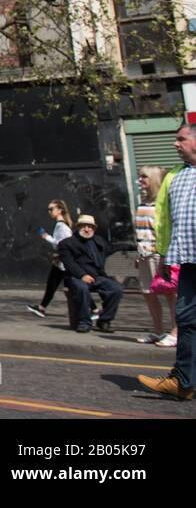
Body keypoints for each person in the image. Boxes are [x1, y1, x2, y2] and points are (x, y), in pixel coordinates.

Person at [137, 122, 196, 401]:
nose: (175, 144)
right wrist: (163, 254)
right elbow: (164, 219)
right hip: (186, 259)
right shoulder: (175, 175)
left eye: (180, 139)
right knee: (186, 320)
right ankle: (183, 382)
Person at [134, 166, 178, 347]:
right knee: (148, 294)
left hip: (160, 254)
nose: (140, 180)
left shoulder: (164, 202)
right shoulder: (143, 202)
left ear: (153, 179)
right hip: (144, 255)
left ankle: (176, 332)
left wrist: (168, 255)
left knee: (171, 294)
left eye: (144, 176)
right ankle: (158, 331)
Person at [59, 214, 122, 333]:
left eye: (90, 227)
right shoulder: (66, 244)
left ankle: (104, 321)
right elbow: (69, 264)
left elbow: (111, 248)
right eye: (84, 226)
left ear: (94, 229)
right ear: (78, 227)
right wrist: (82, 275)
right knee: (81, 288)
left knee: (116, 289)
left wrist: (132, 247)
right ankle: (84, 321)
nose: (87, 229)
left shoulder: (98, 241)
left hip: (97, 276)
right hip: (77, 277)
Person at [26, 198, 74, 318]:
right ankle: (42, 307)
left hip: (64, 262)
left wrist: (46, 237)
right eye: (48, 209)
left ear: (60, 210)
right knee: (53, 285)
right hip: (61, 262)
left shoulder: (61, 226)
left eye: (51, 209)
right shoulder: (62, 225)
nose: (49, 211)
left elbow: (62, 244)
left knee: (70, 287)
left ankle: (94, 310)